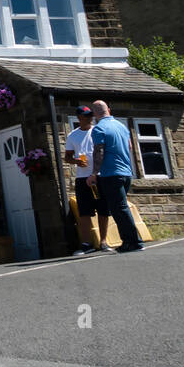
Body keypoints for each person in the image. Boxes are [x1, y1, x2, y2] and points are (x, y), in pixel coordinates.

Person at [89, 100, 144, 253]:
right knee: (121, 208)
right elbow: (130, 147)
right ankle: (131, 241)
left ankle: (133, 242)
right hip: (126, 172)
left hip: (111, 174)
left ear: (95, 114)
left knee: (119, 209)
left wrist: (94, 173)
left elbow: (99, 152)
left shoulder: (99, 129)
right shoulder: (121, 126)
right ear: (109, 110)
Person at [66, 107, 111, 254]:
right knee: (84, 211)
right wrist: (76, 162)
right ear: (79, 117)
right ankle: (86, 243)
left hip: (99, 175)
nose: (90, 118)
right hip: (82, 178)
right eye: (86, 116)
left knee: (103, 209)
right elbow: (67, 157)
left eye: (91, 115)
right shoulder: (73, 135)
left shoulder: (97, 131)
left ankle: (103, 241)